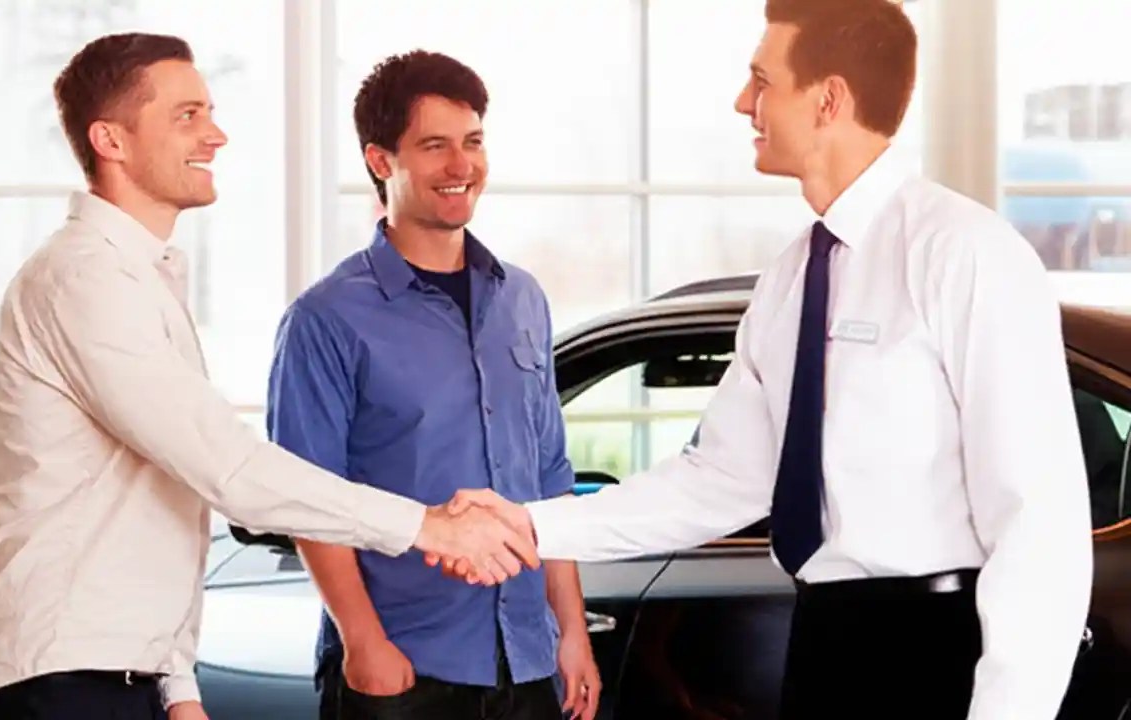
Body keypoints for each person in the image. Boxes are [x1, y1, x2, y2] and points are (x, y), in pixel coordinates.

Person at [437, 1, 1094, 718]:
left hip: (936, 650)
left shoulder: (966, 253)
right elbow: (720, 481)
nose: (742, 102)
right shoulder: (791, 280)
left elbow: (1037, 524)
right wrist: (530, 526)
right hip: (819, 641)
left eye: (762, 81)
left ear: (828, 100)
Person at [0, 33, 537, 720]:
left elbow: (153, 504)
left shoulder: (140, 277)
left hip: (111, 677)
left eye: (210, 113)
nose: (215, 135)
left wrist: (176, 684)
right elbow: (230, 471)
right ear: (111, 140)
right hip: (53, 683)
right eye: (187, 115)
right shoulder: (85, 279)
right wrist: (429, 527)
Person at [258, 49, 599, 720]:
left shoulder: (522, 299)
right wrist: (364, 644)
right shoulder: (326, 318)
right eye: (435, 146)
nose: (461, 166)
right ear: (380, 160)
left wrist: (571, 630)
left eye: (473, 142)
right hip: (405, 664)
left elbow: (550, 478)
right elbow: (307, 499)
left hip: (525, 659)